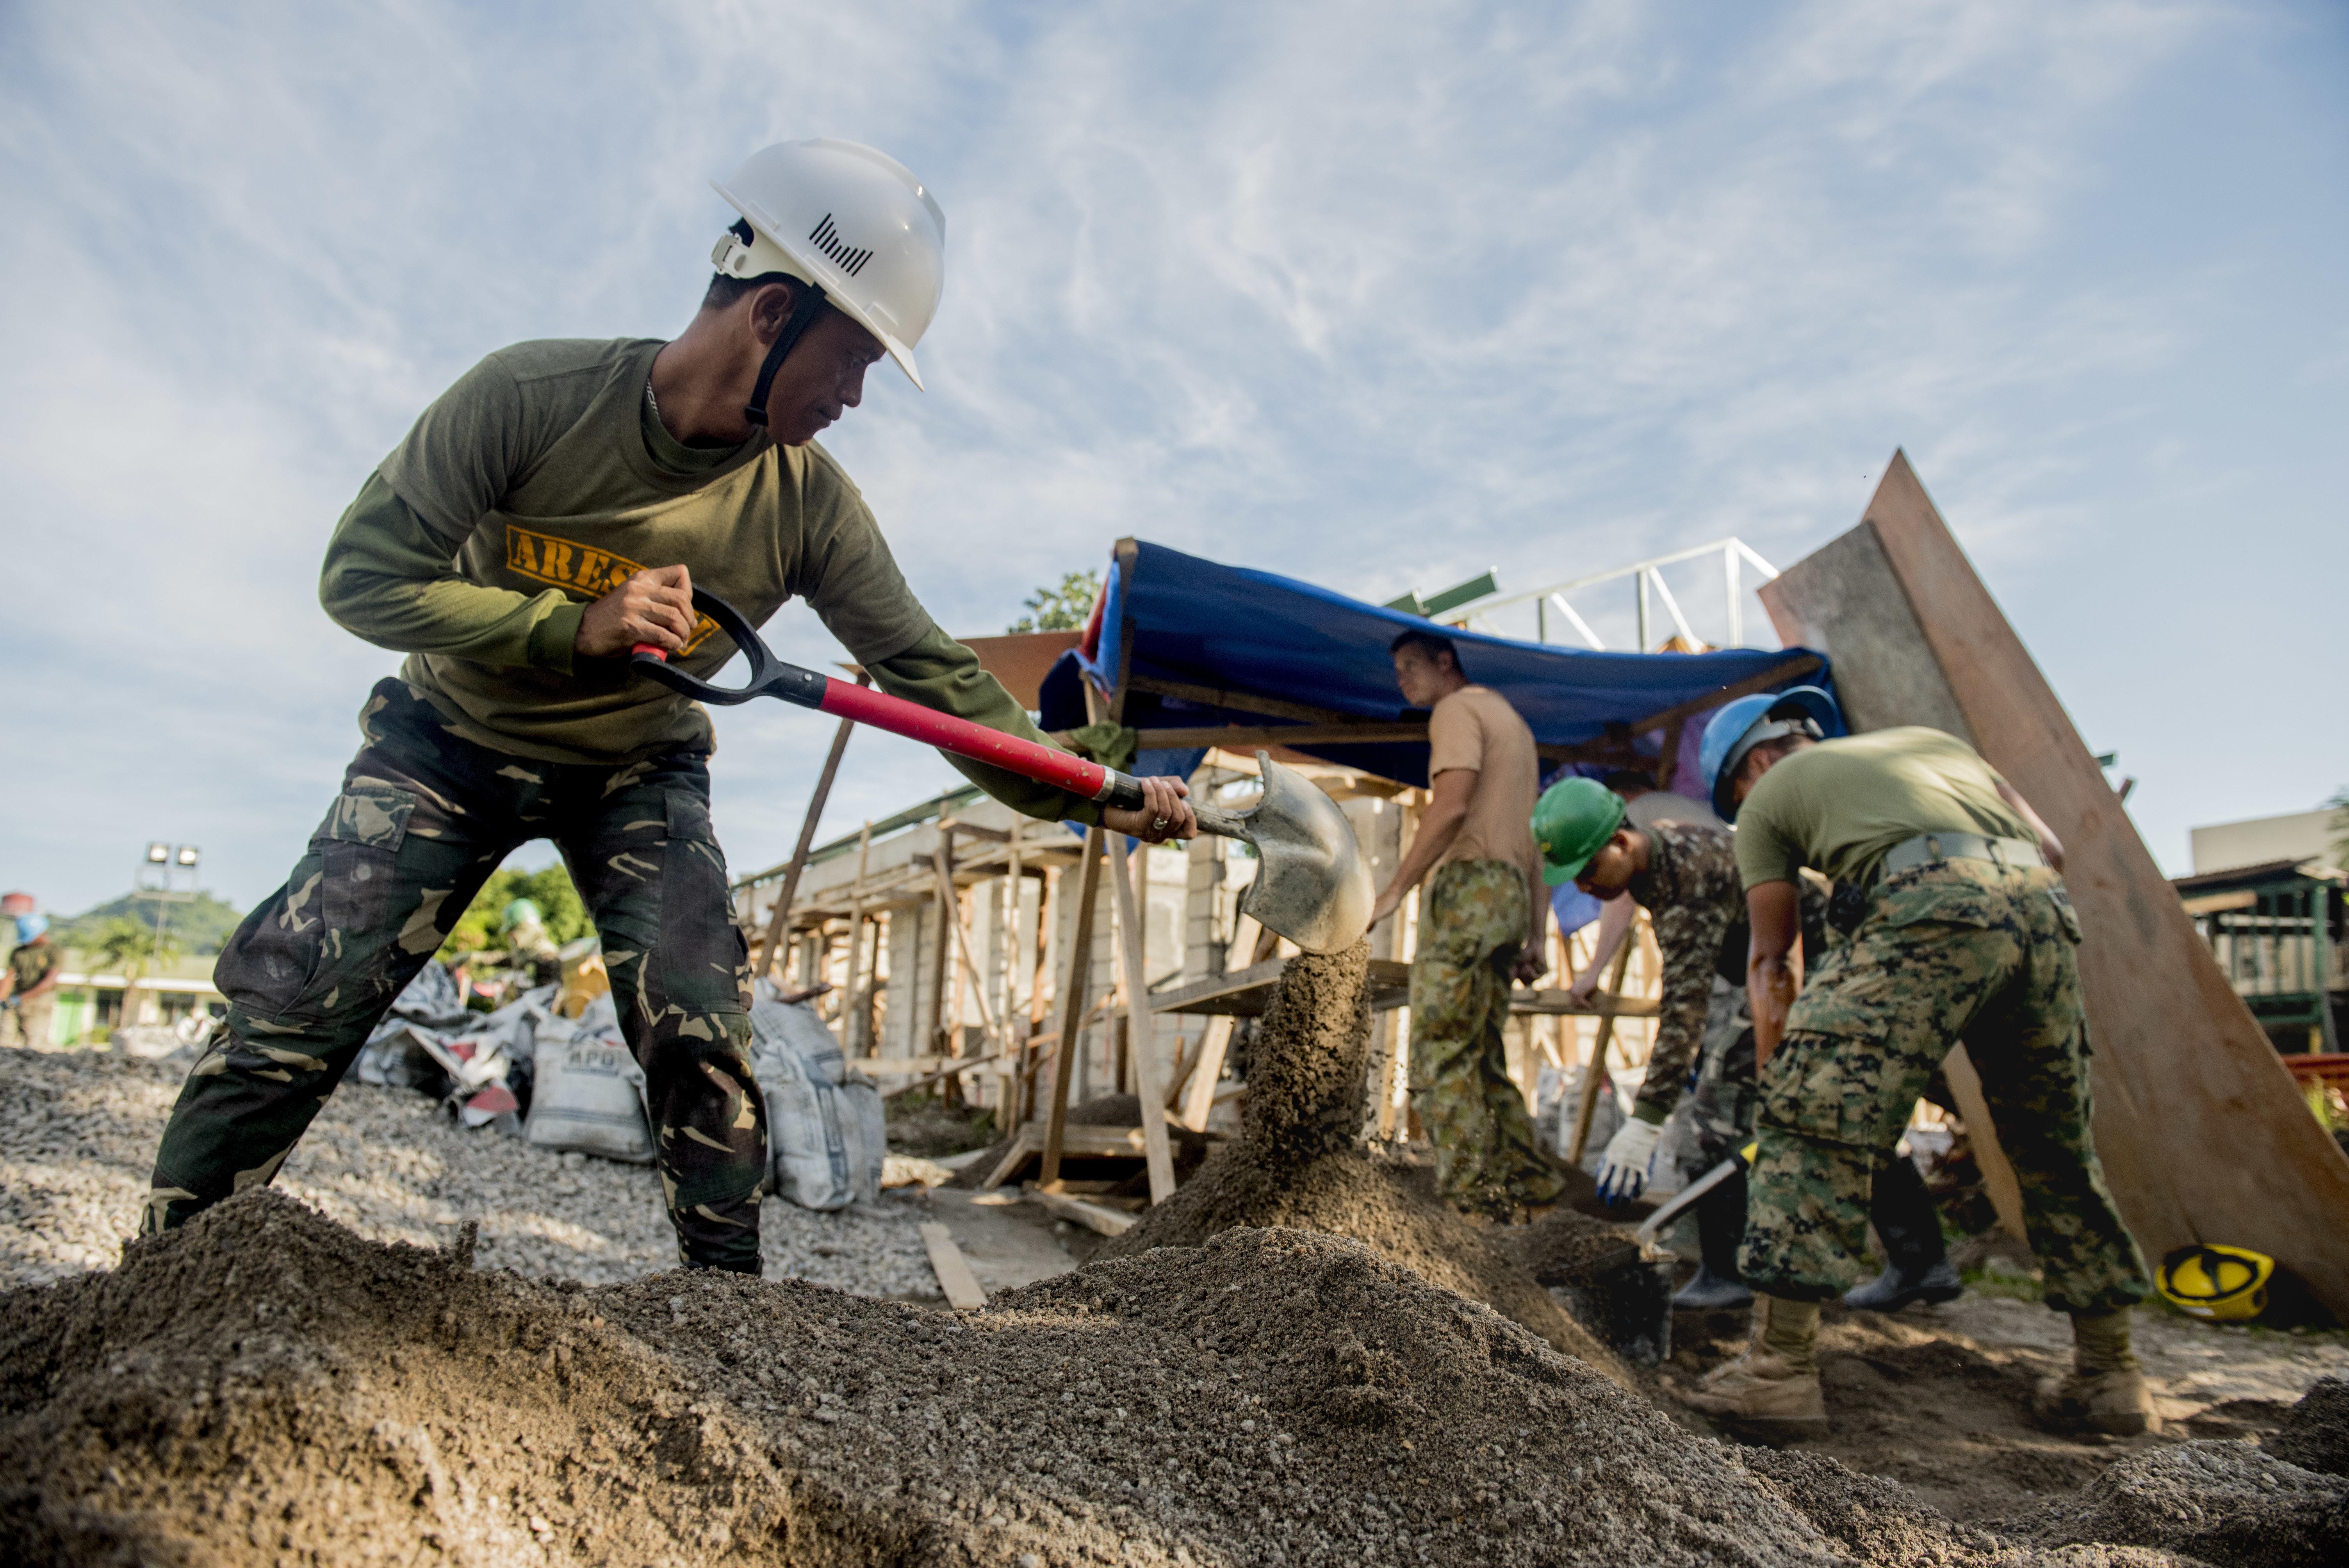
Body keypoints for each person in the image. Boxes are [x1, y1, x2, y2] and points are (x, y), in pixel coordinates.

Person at [142, 139, 1196, 1270]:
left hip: (636, 773)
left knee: (701, 1020)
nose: (850, 399)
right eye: (848, 365)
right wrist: (566, 626)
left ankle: (726, 1319)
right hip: (446, 744)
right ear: (772, 314)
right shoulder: (529, 399)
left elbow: (930, 673)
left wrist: (1093, 795)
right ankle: (158, 1285)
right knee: (294, 1004)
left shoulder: (810, 509)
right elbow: (361, 578)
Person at [1674, 693, 2154, 1438]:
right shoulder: (1936, 746)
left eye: (1734, 794)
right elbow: (2052, 850)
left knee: (1809, 1123)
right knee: (2052, 1142)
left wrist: (1779, 1087)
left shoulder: (1768, 800)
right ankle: (2109, 1371)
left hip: (1930, 897)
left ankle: (1778, 1372)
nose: (1743, 807)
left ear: (1754, 764)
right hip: (2042, 911)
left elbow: (1772, 961)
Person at [1369, 628, 1561, 1221]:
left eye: (1411, 666)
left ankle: (1474, 1211)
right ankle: (1532, 1190)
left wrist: (1395, 889)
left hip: (1469, 888)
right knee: (1482, 1055)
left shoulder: (1456, 710)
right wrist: (1534, 935)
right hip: (1506, 896)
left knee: (1440, 1051)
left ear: (1445, 661)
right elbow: (1538, 844)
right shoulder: (1514, 726)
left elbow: (1451, 805)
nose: (1403, 679)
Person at [1, 914, 62, 1049]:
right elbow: (9, 978)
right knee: (5, 1035)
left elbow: (48, 983)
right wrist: (3, 998)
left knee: (35, 1042)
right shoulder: (18, 953)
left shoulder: (53, 952)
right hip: (16, 997)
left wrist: (21, 998)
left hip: (40, 1000)